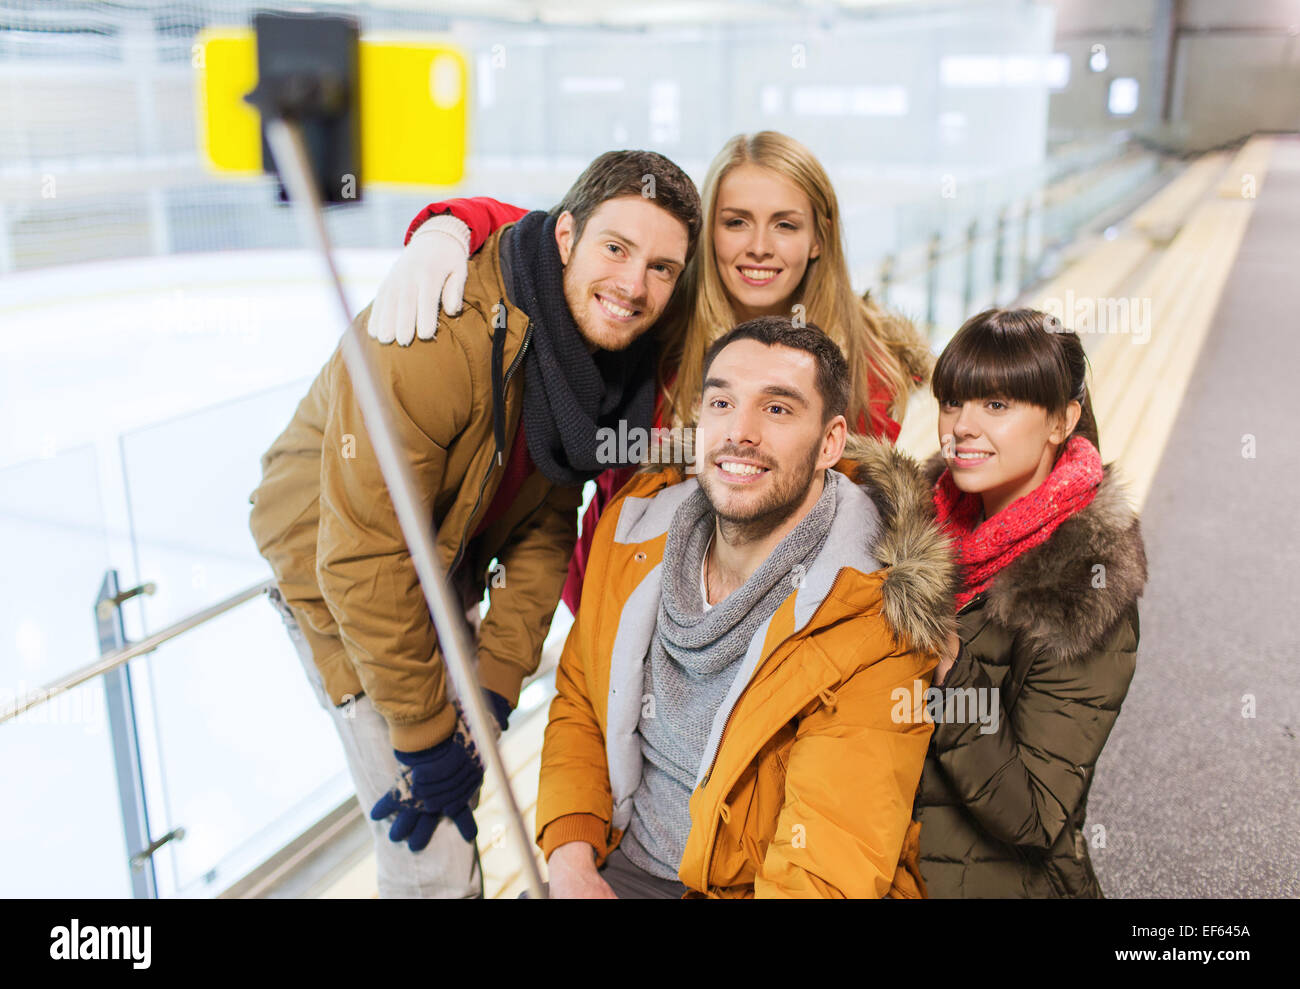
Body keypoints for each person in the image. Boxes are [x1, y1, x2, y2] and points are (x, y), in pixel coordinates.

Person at [248, 150, 702, 898]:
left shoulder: (587, 362)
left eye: (661, 267)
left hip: (440, 558)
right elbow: (363, 558)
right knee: (433, 843)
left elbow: (547, 526)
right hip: (334, 571)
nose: (633, 284)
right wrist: (427, 742)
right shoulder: (436, 337)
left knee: (458, 804)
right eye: (616, 248)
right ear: (566, 237)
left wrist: (490, 691)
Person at [363, 131, 933, 616]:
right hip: (618, 618)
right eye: (737, 222)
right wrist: (454, 225)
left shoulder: (867, 373)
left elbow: (844, 546)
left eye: (784, 225)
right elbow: (573, 234)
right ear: (708, 234)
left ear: (818, 238)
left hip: (768, 651)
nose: (759, 248)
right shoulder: (657, 324)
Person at [535, 315, 955, 898]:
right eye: (722, 403)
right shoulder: (635, 530)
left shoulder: (873, 613)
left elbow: (828, 858)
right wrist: (571, 860)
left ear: (830, 443)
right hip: (617, 859)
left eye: (777, 409)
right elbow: (580, 700)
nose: (741, 433)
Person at [914, 308, 1148, 897]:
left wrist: (952, 671)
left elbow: (1034, 816)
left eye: (996, 406)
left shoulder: (1083, 590)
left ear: (1061, 421)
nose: (961, 427)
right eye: (952, 402)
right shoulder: (917, 529)